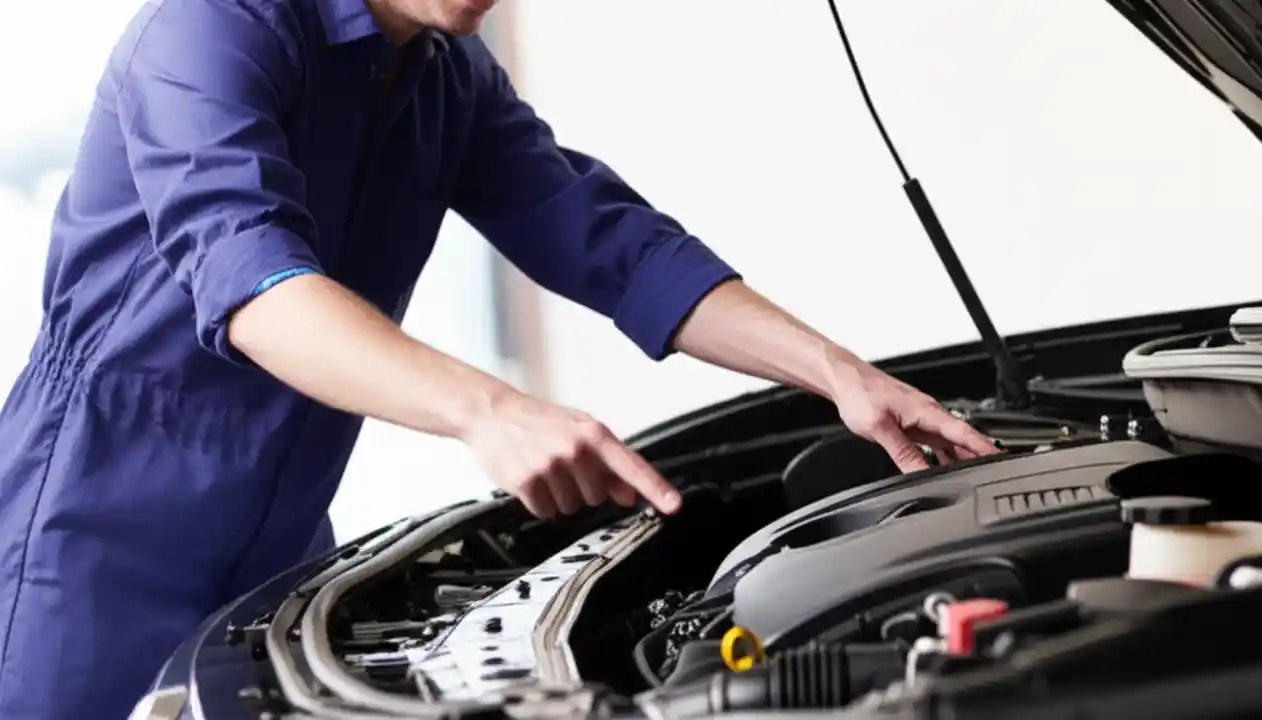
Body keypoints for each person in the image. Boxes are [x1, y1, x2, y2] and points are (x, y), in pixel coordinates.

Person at [0, 0, 998, 716]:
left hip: (284, 537)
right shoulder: (211, 27)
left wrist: (838, 375)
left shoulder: (446, 76)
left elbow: (612, 245)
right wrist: (492, 410)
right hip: (90, 533)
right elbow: (254, 289)